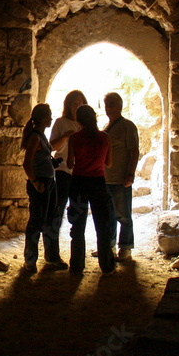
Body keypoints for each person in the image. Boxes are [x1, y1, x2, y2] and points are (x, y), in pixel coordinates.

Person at [66, 104, 115, 274]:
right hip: (98, 183)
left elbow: (69, 163)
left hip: (79, 183)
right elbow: (109, 163)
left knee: (78, 227)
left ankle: (77, 266)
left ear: (79, 120)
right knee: (103, 226)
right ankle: (107, 265)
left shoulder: (74, 138)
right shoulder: (105, 137)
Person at [20, 103, 68, 272]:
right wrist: (35, 182)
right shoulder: (35, 138)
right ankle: (30, 261)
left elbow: (42, 158)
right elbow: (27, 164)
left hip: (48, 183)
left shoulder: (41, 136)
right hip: (41, 184)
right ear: (41, 118)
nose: (51, 117)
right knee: (36, 222)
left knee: (50, 220)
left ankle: (50, 257)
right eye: (48, 115)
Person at [49, 90, 86, 259]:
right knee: (57, 211)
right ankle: (52, 255)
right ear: (68, 105)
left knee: (78, 214)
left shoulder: (86, 126)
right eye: (74, 103)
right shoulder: (60, 122)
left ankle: (77, 258)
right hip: (63, 172)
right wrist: (65, 137)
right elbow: (52, 147)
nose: (77, 106)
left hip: (79, 173)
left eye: (80, 103)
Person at [103, 92, 140, 262]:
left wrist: (130, 174)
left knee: (123, 215)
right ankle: (109, 248)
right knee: (108, 215)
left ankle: (125, 249)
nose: (108, 108)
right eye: (106, 104)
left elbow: (134, 151)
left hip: (120, 178)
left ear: (120, 106)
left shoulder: (127, 126)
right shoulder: (106, 127)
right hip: (106, 179)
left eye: (111, 104)